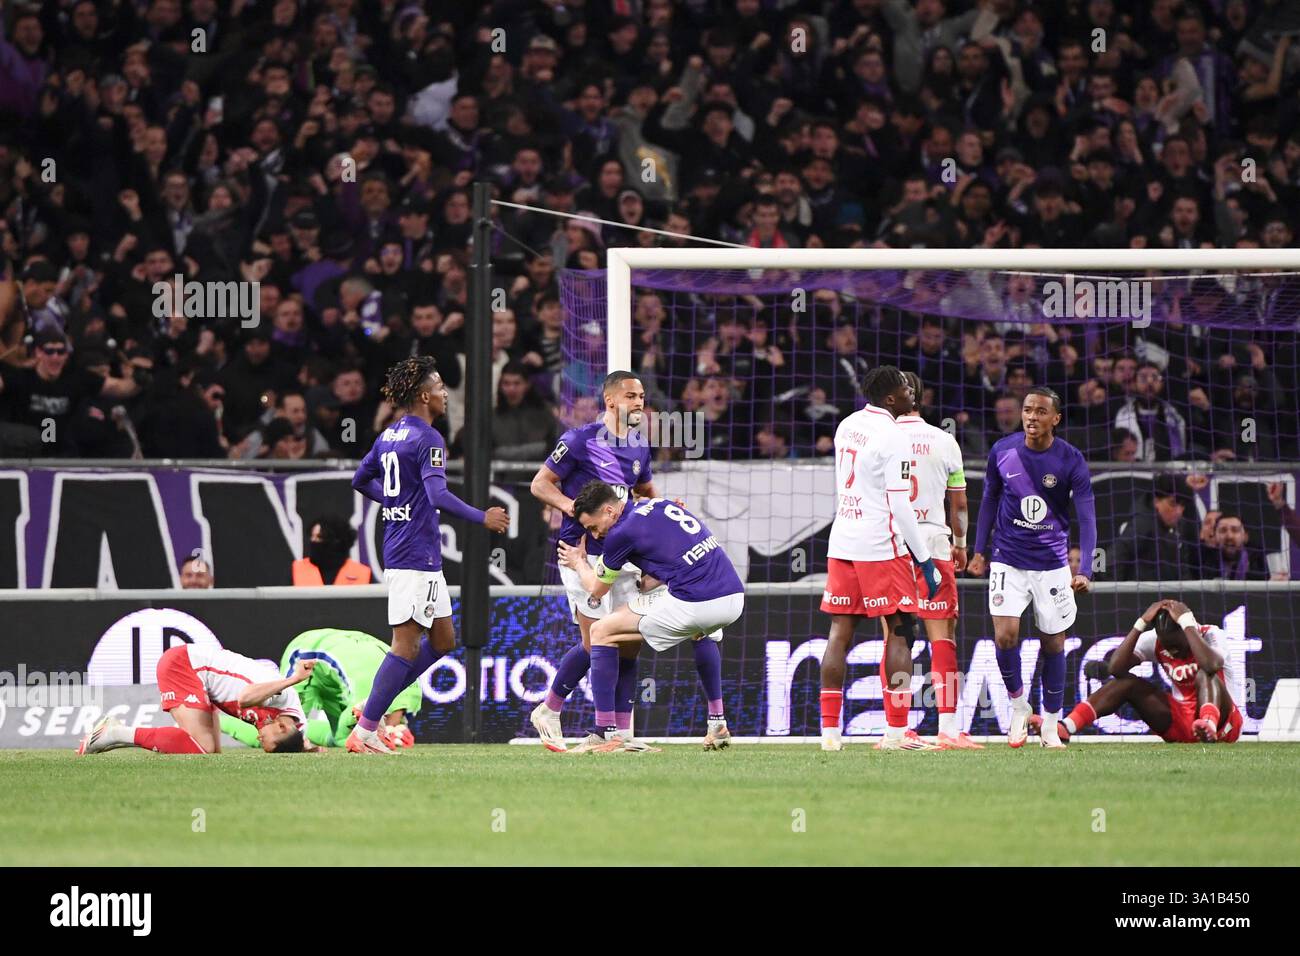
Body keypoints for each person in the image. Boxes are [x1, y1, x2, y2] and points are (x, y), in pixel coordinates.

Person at [348, 356, 508, 754]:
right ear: (423, 396)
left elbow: (360, 478)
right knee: (405, 646)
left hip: (419, 553)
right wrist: (482, 517)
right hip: (410, 553)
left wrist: (394, 500)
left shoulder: (389, 435)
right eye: (439, 387)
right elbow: (437, 496)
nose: (444, 394)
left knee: (443, 640)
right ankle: (365, 730)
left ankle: (373, 706)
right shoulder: (428, 438)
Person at [557, 481, 745, 753]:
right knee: (699, 632)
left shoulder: (620, 533)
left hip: (697, 602)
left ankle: (607, 733)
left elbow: (596, 589)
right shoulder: (659, 505)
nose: (595, 534)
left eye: (593, 526)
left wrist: (578, 563)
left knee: (601, 631)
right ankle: (717, 723)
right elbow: (653, 578)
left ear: (609, 511)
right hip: (732, 596)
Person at [525, 371, 656, 750]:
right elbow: (540, 484)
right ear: (611, 401)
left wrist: (659, 510)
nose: (639, 402)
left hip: (622, 554)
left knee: (629, 642)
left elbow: (643, 492)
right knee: (597, 642)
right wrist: (574, 510)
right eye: (631, 396)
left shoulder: (639, 447)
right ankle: (595, 729)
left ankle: (622, 733)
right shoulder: (579, 440)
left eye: (642, 396)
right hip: (579, 553)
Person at [818, 366, 941, 752]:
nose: (912, 391)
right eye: (906, 388)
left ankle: (829, 737)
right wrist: (923, 558)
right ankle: (896, 733)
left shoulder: (848, 425)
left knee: (840, 633)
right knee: (903, 629)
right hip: (880, 545)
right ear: (891, 399)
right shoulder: (895, 437)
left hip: (842, 542)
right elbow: (900, 505)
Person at [968, 386, 1096, 749]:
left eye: (1041, 411)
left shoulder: (1071, 460)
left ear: (1056, 418)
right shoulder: (1002, 451)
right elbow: (989, 498)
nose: (1031, 417)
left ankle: (1052, 724)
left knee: (1054, 643)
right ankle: (1019, 706)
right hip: (1007, 559)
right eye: (1027, 410)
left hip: (1052, 565)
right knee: (1005, 636)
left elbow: (1087, 518)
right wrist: (979, 551)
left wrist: (1083, 568)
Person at [896, 372, 981, 749]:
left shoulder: (880, 439)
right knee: (941, 638)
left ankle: (895, 729)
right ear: (921, 397)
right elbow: (959, 503)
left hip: (892, 543)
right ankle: (947, 728)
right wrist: (960, 543)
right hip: (933, 538)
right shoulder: (945, 440)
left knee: (894, 638)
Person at [1031, 599, 1241, 744]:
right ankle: (1066, 727)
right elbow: (1116, 669)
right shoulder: (1156, 641)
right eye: (1167, 646)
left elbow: (1211, 665)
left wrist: (1188, 626)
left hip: (1224, 724)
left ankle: (1208, 725)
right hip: (1182, 723)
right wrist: (1140, 624)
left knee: (1205, 673)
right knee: (1127, 683)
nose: (1171, 651)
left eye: (1176, 646)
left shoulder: (1211, 634)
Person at [77, 645, 313, 756]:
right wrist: (293, 679)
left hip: (203, 683)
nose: (259, 737)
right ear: (282, 726)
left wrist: (316, 749)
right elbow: (244, 698)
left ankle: (115, 737)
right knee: (202, 748)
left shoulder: (294, 725)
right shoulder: (278, 693)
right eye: (265, 739)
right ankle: (115, 733)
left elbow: (305, 743)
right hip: (183, 665)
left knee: (211, 755)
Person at [218, 629, 422, 751]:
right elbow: (349, 734)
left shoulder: (413, 694)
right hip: (306, 652)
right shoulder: (366, 695)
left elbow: (357, 730)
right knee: (282, 736)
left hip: (343, 653)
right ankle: (217, 718)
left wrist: (393, 733)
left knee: (341, 736)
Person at [291, 515, 372, 586]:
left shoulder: (362, 573)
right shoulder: (298, 569)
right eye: (312, 537)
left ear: (336, 541)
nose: (314, 541)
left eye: (320, 537)